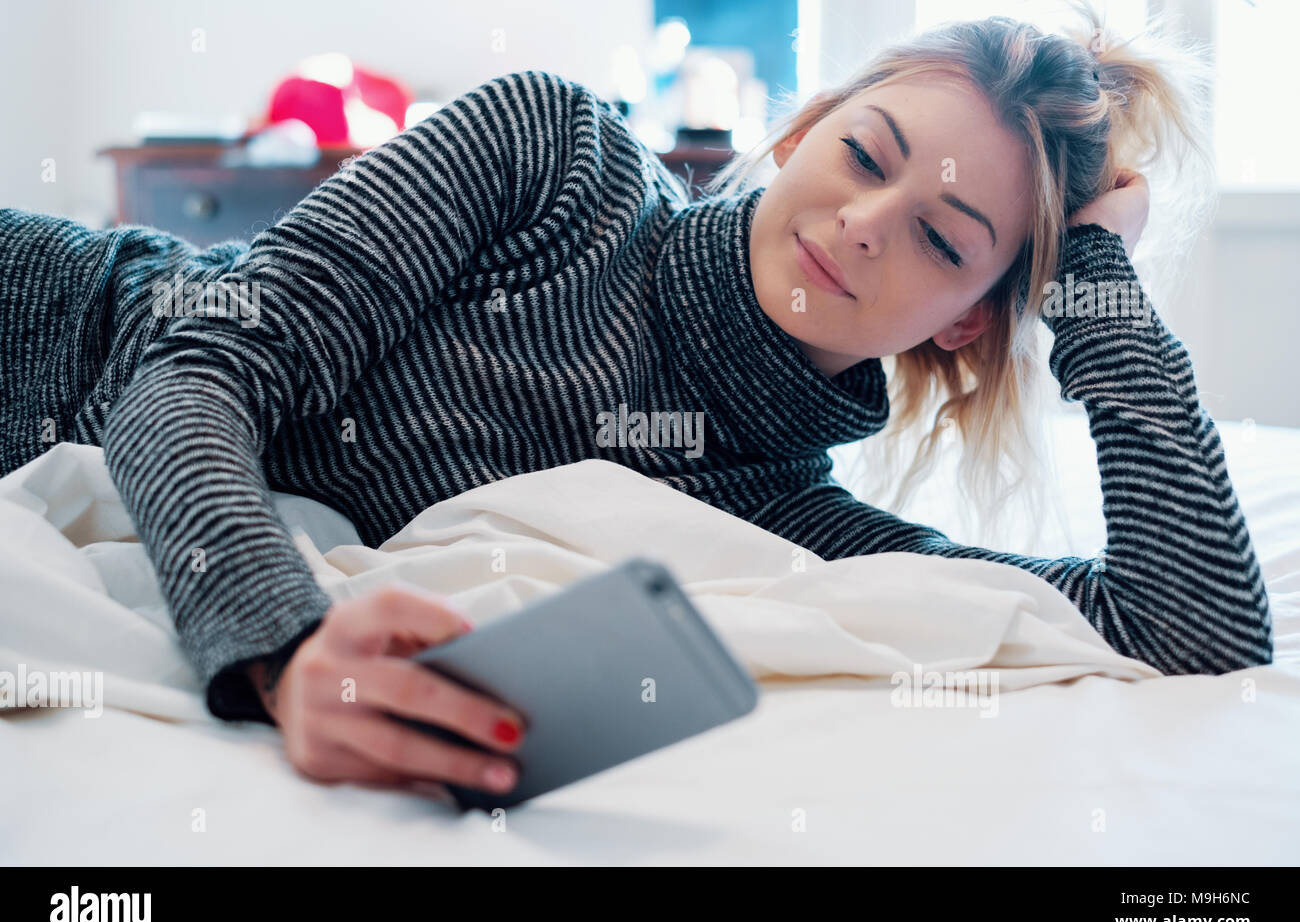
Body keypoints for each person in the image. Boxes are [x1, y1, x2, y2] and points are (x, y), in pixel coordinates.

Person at [0, 4, 1271, 799]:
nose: (865, 224)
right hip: (44, 317)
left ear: (965, 321)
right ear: (798, 134)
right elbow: (193, 367)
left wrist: (1096, 284)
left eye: (944, 241)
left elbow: (1189, 623)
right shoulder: (553, 153)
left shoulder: (788, 524)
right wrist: (279, 649)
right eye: (862, 157)